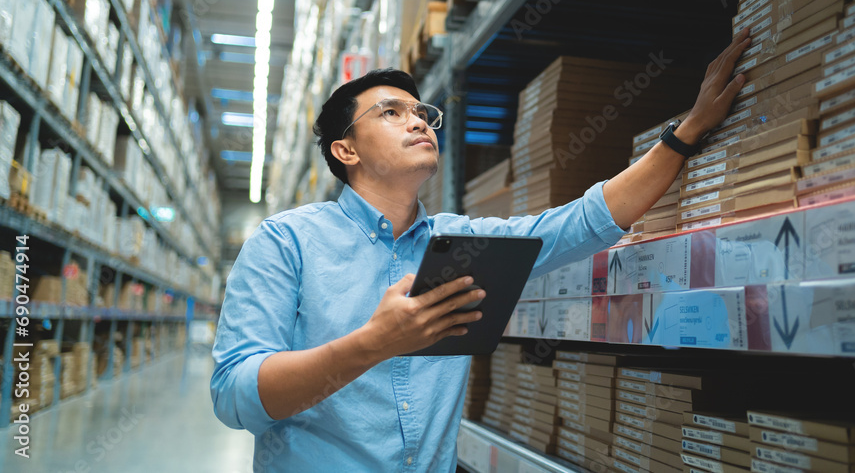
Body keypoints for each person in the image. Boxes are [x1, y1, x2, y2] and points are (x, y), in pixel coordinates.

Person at [211, 28, 750, 471]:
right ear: (344, 149)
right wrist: (372, 344)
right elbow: (235, 397)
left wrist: (689, 130)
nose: (419, 120)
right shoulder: (285, 243)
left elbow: (584, 221)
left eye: (420, 112)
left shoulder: (464, 246)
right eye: (390, 113)